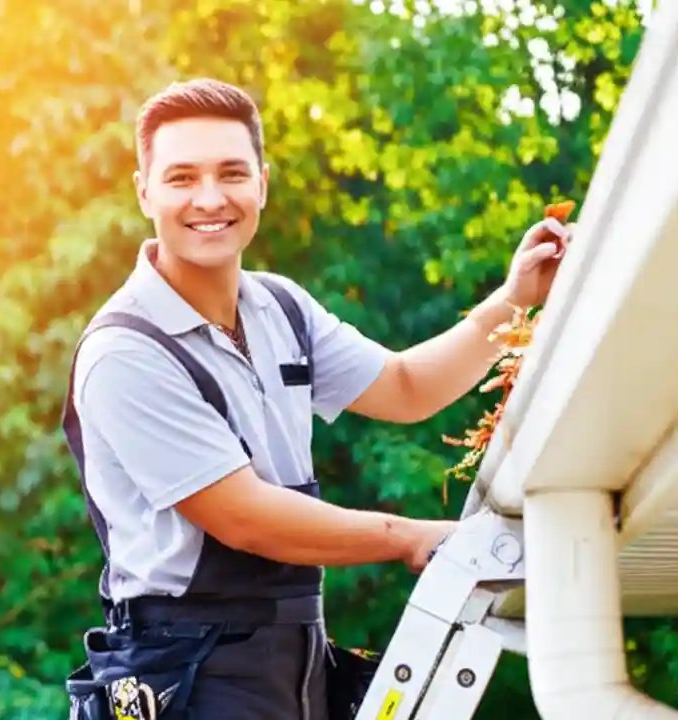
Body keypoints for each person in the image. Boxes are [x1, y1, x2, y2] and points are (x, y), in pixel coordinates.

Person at [62, 77, 571, 720]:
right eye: (182, 178)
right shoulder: (126, 352)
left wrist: (514, 298)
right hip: (185, 670)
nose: (210, 198)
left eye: (232, 173)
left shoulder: (280, 306)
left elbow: (406, 388)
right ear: (145, 193)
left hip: (293, 654)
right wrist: (409, 536)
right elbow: (243, 517)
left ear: (263, 184)